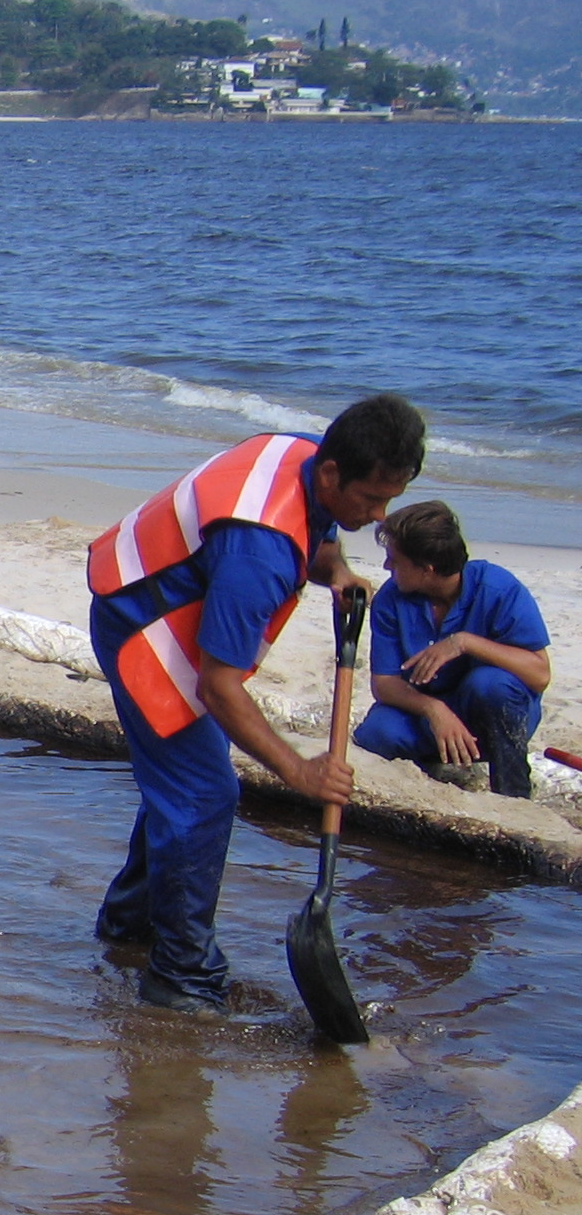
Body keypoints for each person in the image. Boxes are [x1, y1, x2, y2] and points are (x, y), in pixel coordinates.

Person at [88, 396, 424, 1016]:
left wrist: (339, 571)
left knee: (183, 782)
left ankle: (130, 921)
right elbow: (219, 687)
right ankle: (180, 978)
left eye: (389, 501)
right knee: (205, 793)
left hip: (164, 586)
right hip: (142, 623)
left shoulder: (304, 452)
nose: (379, 516)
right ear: (331, 474)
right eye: (371, 502)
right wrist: (298, 771)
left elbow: (320, 528)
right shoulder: (259, 553)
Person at [354, 499, 550, 799]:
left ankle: (513, 793)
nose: (386, 566)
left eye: (395, 559)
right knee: (377, 732)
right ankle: (434, 767)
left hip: (495, 715)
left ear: (426, 569)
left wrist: (464, 643)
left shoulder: (498, 589)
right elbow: (385, 683)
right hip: (428, 714)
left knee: (489, 684)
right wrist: (434, 710)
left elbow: (539, 675)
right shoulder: (390, 601)